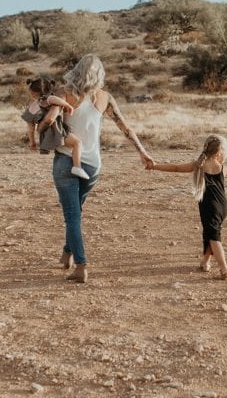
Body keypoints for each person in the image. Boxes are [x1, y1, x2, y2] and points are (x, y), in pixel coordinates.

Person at [45, 54, 153, 283]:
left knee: (72, 215)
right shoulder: (105, 97)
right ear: (101, 74)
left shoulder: (64, 93)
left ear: (76, 70)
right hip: (93, 165)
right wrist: (142, 152)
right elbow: (125, 127)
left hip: (66, 161)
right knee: (75, 211)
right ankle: (67, 254)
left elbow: (46, 118)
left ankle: (81, 266)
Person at [147, 134, 227, 280]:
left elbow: (176, 168)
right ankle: (205, 262)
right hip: (222, 206)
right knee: (209, 234)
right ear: (219, 153)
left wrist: (154, 166)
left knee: (214, 237)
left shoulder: (198, 166)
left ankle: (224, 268)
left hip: (209, 208)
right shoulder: (222, 168)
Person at [21, 76, 89, 179]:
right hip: (56, 131)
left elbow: (30, 129)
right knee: (77, 143)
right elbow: (56, 99)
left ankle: (69, 166)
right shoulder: (47, 99)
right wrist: (68, 106)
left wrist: (32, 142)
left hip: (45, 136)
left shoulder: (30, 107)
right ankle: (77, 167)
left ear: (32, 92)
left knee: (65, 149)